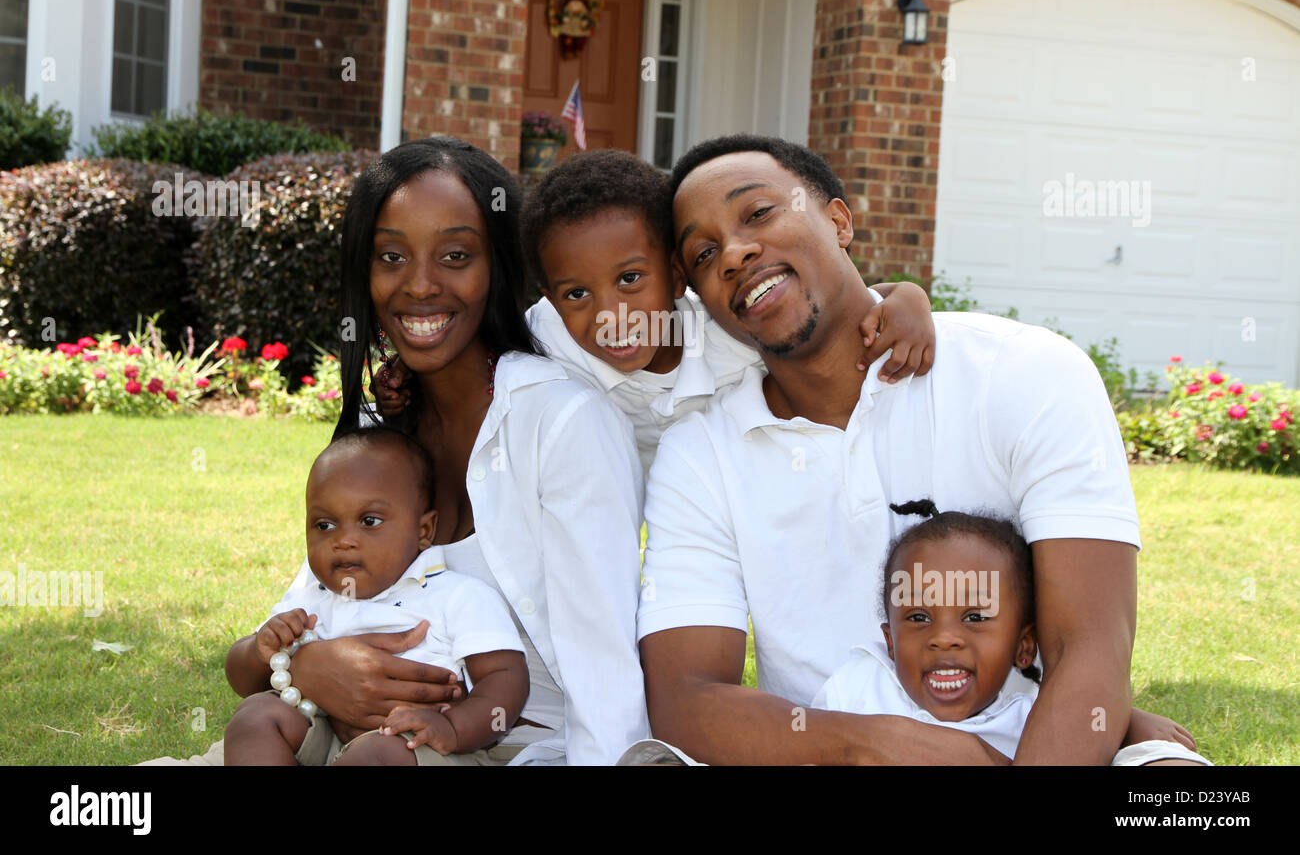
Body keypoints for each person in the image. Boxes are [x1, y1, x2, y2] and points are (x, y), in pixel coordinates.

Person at [629, 133, 1181, 765]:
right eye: (704, 253)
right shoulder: (700, 455)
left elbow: (1092, 646)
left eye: (758, 213)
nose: (735, 251)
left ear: (838, 220)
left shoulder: (1027, 372)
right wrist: (878, 745)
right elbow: (685, 700)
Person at [143, 137, 648, 767]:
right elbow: (311, 601)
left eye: (455, 255)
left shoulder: (563, 422)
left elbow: (605, 665)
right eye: (391, 256)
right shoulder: (385, 428)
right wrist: (304, 665)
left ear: (497, 267)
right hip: (339, 733)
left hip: (515, 747)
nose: (420, 285)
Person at [375, 149, 937, 475]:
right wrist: (408, 383)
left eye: (629, 280)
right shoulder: (548, 335)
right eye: (576, 294)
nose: (609, 314)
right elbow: (475, 365)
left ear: (676, 273)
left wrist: (904, 297)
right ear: (549, 296)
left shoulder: (726, 332)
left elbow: (832, 309)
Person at [811, 502, 1209, 765]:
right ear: (891, 643)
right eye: (918, 617)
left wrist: (1130, 722)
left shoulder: (1026, 718)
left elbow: (1084, 719)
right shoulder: (857, 690)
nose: (944, 637)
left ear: (1023, 648)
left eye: (974, 617)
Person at [223, 427, 530, 766]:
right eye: (325, 525)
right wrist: (259, 650)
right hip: (326, 734)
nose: (344, 540)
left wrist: (453, 727)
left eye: (369, 521)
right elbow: (241, 678)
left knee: (376, 755)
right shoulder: (311, 599)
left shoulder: (457, 596)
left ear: (423, 531)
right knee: (255, 714)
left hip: (417, 748)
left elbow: (505, 677)